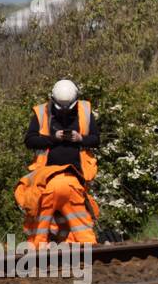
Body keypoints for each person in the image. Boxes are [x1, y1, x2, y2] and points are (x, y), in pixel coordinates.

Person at [15, 79, 101, 245]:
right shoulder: (42, 112)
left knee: (45, 224)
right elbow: (30, 141)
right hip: (48, 177)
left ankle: (40, 247)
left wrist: (80, 138)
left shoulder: (84, 110)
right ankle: (87, 248)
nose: (65, 112)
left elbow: (96, 139)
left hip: (75, 176)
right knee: (78, 224)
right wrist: (53, 138)